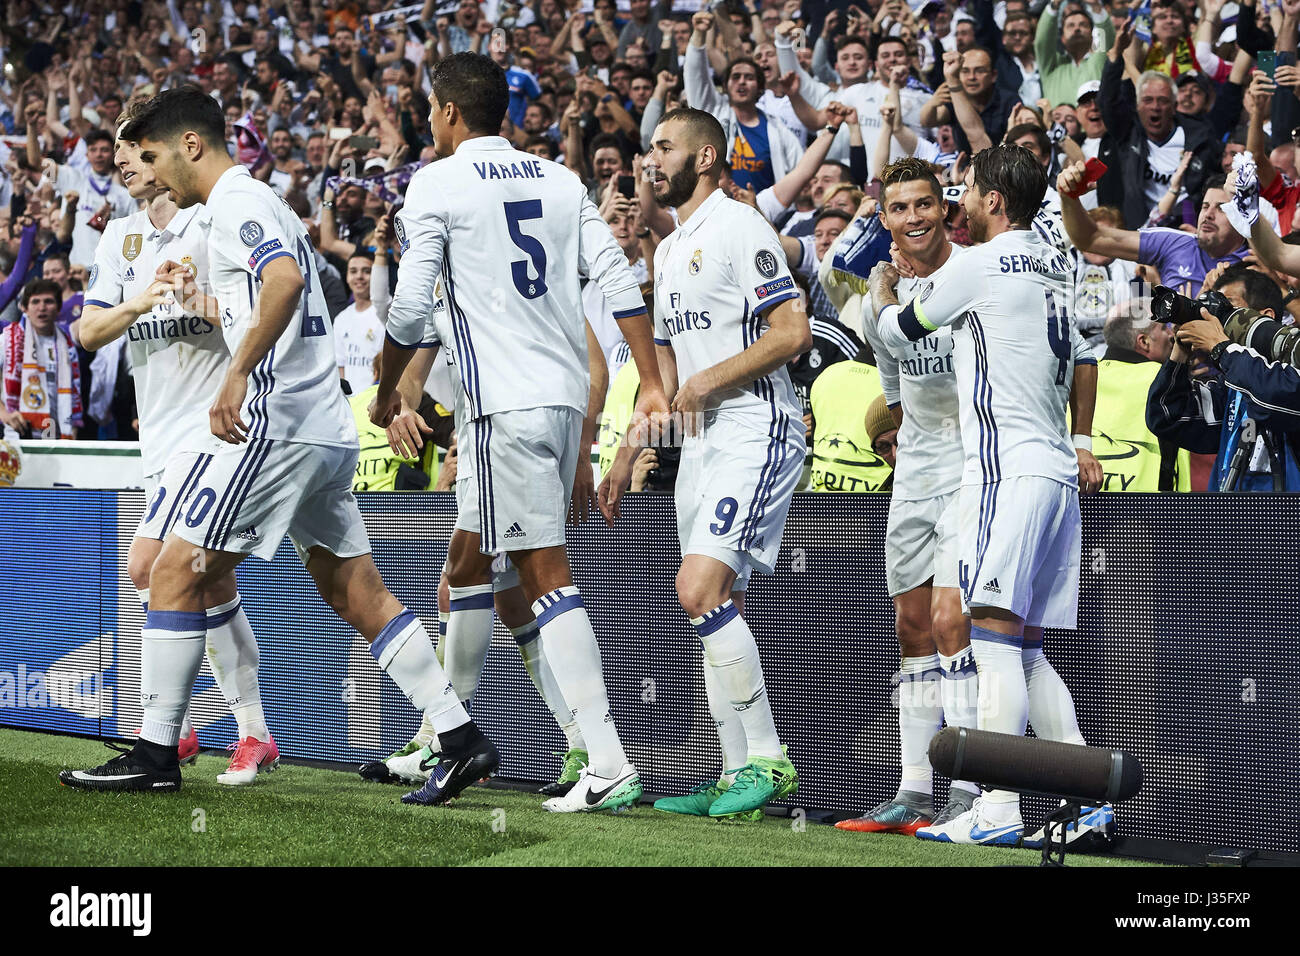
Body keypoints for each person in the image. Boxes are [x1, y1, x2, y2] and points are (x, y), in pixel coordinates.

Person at [61, 86, 496, 803]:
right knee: (356, 590)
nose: (151, 170)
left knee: (170, 573)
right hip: (322, 426)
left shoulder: (234, 200)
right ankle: (459, 737)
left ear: (190, 145)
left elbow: (287, 281)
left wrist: (235, 377)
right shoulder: (250, 205)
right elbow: (261, 297)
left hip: (275, 424)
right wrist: (206, 307)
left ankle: (154, 751)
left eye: (154, 154)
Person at [373, 53, 669, 813]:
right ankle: (446, 736)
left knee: (541, 576)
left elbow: (408, 313)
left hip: (505, 405)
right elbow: (617, 277)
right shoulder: (559, 179)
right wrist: (655, 380)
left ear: (445, 113)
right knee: (470, 566)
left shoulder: (435, 183)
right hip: (559, 398)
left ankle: (603, 757)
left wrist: (383, 390)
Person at [867, 145, 1109, 847]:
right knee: (1025, 650)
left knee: (994, 642)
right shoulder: (1060, 263)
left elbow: (897, 329)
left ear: (994, 199)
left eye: (966, 190)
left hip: (1005, 473)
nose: (958, 201)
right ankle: (1088, 801)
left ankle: (999, 808)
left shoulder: (980, 263)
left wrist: (883, 292)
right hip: (1055, 472)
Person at [599, 106, 808, 821]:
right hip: (704, 440)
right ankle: (733, 772)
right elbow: (664, 382)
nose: (651, 159)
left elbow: (792, 332)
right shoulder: (668, 249)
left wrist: (706, 382)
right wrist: (627, 456)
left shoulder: (741, 227)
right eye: (649, 147)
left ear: (707, 157)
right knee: (717, 604)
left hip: (757, 426)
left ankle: (771, 760)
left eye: (665, 147)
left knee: (699, 588)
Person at [76, 109, 278, 784]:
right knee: (196, 576)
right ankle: (223, 731)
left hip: (212, 426)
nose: (123, 162)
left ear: (163, 154)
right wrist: (140, 304)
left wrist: (197, 298)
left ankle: (185, 731)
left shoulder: (211, 218)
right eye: (117, 153)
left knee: (152, 564)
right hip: (158, 433)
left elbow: (252, 310)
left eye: (134, 150)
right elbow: (87, 333)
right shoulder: (121, 239)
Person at [838, 158, 981, 835]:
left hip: (975, 465)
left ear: (944, 210)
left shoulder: (972, 277)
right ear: (886, 219)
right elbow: (897, 400)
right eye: (900, 208)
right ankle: (915, 792)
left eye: (925, 204)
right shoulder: (874, 302)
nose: (915, 217)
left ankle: (976, 788)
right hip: (917, 471)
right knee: (912, 627)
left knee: (956, 621)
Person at [1058, 162, 1247, 297]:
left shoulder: (1255, 265)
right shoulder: (1173, 243)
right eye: (1205, 206)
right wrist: (1069, 197)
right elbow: (1090, 239)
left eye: (1221, 208)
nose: (1208, 214)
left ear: (1242, 216)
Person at [1094, 299, 1190, 492]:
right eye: (1164, 328)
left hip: (1084, 499)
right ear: (1144, 341)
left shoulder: (1084, 373)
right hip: (1149, 509)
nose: (1172, 334)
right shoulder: (1166, 380)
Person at [1, 280, 82, 440]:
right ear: (24, 308)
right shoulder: (8, 339)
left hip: (59, 437)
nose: (42, 307)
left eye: (48, 301)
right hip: (17, 436)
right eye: (35, 301)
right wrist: (4, 414)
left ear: (59, 308)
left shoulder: (66, 342)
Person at [333, 250, 387, 393]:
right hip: (351, 404)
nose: (359, 276)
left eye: (366, 271)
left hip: (378, 399)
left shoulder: (386, 313)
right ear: (346, 277)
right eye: (353, 271)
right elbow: (340, 365)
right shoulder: (341, 319)